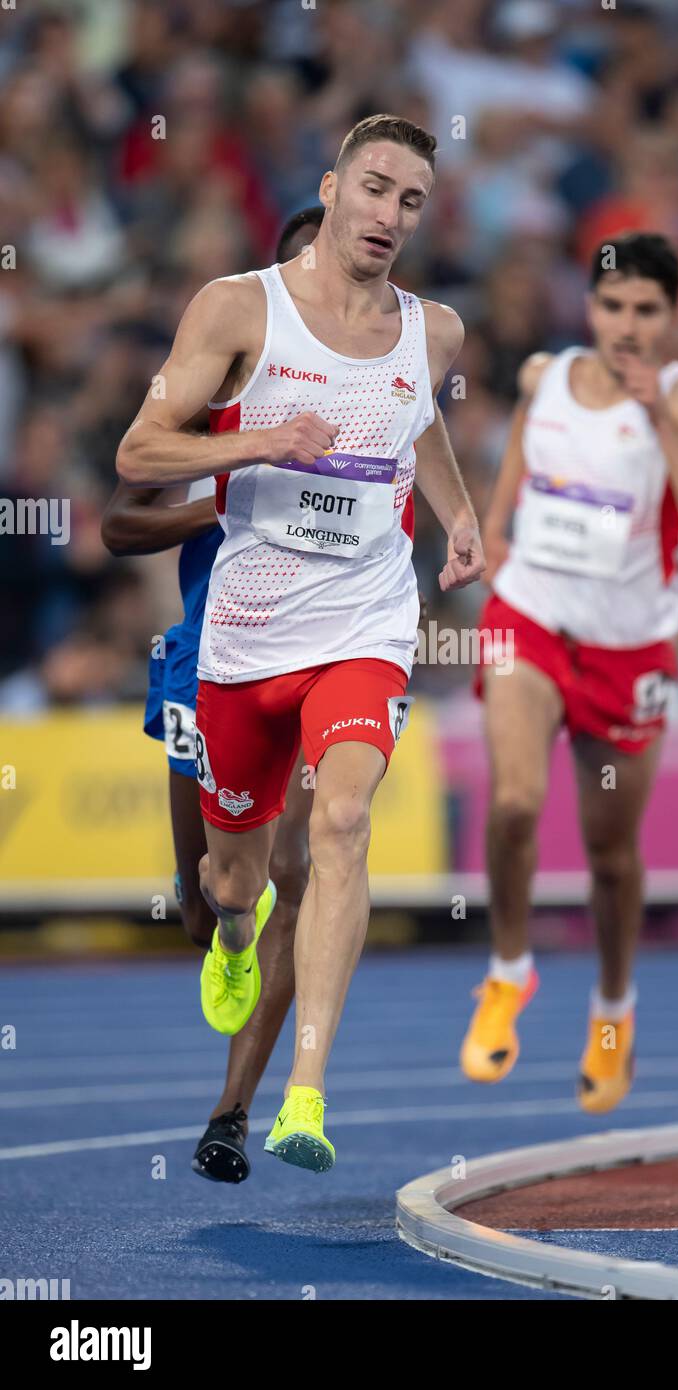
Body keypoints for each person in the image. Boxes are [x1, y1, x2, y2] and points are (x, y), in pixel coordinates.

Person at [116, 115, 484, 1173]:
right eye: (373, 189)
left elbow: (419, 424)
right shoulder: (238, 307)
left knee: (345, 824)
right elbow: (138, 451)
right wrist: (262, 439)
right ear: (330, 187)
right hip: (244, 633)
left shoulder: (437, 328)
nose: (388, 215)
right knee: (232, 884)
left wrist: (458, 516)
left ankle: (303, 1097)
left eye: (410, 201)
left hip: (365, 623)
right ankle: (237, 931)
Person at [462, 232, 678, 1113]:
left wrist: (656, 416)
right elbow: (514, 476)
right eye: (613, 307)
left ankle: (613, 1013)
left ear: (673, 315)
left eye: (647, 311)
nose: (627, 326)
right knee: (512, 804)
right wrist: (498, 538)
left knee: (611, 858)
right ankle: (508, 972)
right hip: (531, 621)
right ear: (590, 307)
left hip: (629, 652)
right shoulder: (545, 376)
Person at [100, 207, 325, 1183]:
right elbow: (116, 523)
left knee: (299, 872)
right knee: (211, 905)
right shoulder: (216, 387)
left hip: (319, 655)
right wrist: (238, 475)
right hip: (204, 661)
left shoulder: (376, 388)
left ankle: (231, 1114)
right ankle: (224, 933)